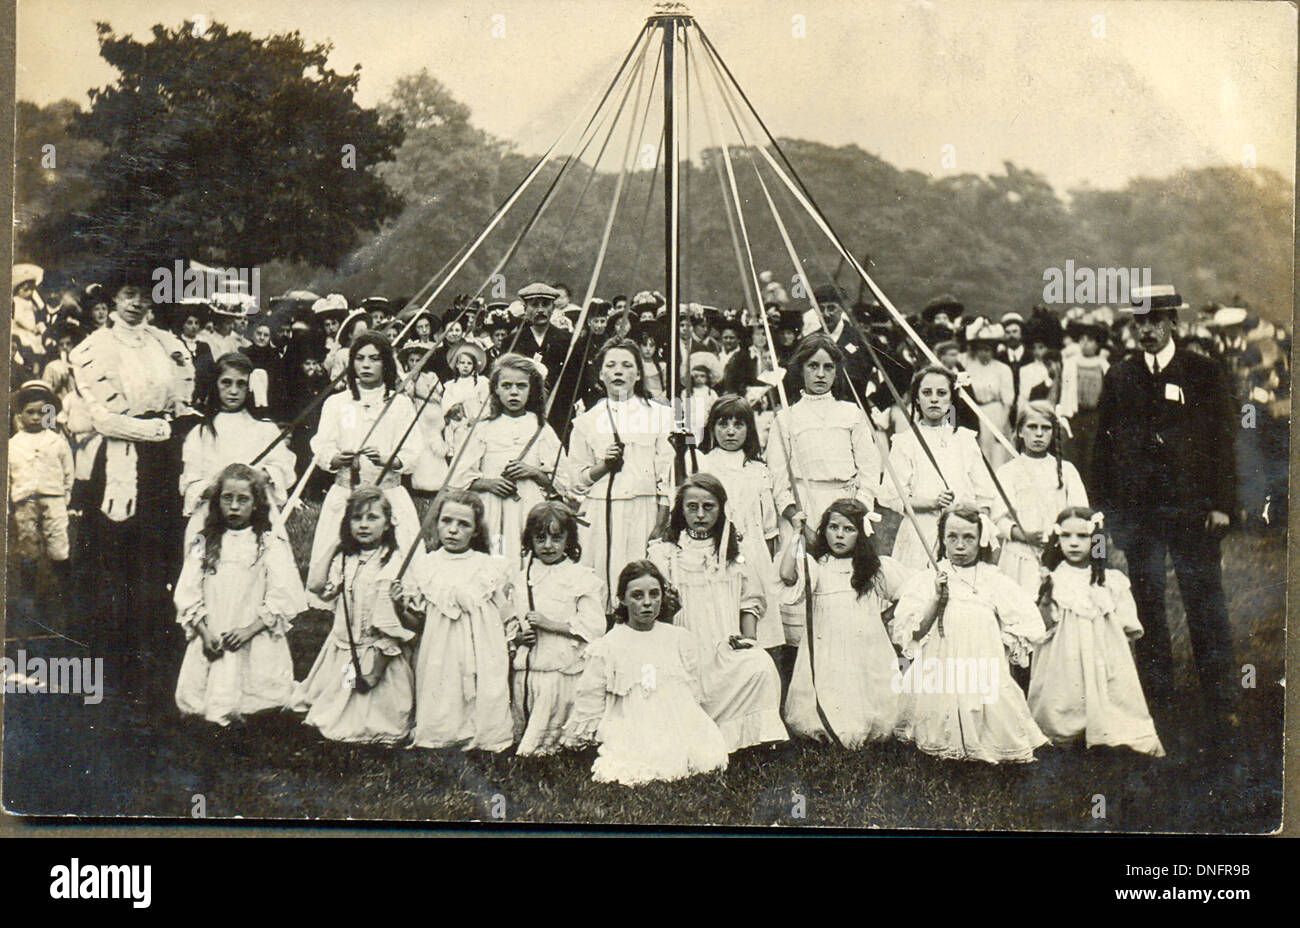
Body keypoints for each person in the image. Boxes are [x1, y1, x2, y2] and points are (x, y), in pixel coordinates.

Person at [1093, 285, 1240, 738]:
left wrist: (1222, 505)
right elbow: (1103, 447)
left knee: (1204, 603)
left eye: (1155, 321)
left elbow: (1224, 442)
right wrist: (1107, 513)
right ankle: (1158, 701)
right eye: (1139, 322)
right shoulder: (1119, 376)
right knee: (1148, 606)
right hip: (1140, 515)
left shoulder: (1203, 372)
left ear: (1173, 322)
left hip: (1194, 511)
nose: (1146, 330)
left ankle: (1222, 702)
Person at [68, 282, 197, 702]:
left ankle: (161, 668)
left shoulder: (165, 343)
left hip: (165, 463)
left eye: (143, 295)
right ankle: (117, 672)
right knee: (120, 564)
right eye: (127, 295)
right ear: (113, 301)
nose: (136, 303)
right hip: (123, 461)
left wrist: (182, 422)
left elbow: (180, 399)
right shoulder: (92, 348)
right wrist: (158, 430)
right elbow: (103, 418)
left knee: (162, 562)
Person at [891, 505, 1049, 763]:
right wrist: (936, 598)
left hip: (982, 660)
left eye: (968, 538)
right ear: (942, 539)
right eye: (952, 537)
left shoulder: (993, 579)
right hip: (942, 660)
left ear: (981, 540)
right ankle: (943, 744)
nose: (960, 546)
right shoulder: (930, 577)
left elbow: (1027, 622)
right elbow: (914, 632)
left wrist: (1007, 643)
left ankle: (988, 742)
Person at [648, 474, 787, 753]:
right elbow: (652, 610)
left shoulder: (736, 551)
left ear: (721, 509)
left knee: (760, 666)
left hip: (722, 649)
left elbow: (750, 601)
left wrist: (747, 639)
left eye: (708, 507)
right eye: (692, 507)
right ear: (681, 510)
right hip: (681, 650)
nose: (700, 514)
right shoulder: (664, 553)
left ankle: (745, 742)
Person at [562, 559, 730, 785]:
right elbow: (591, 694)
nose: (647, 603)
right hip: (632, 720)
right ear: (621, 599)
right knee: (639, 759)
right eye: (637, 596)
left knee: (707, 756)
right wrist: (585, 735)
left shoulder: (677, 638)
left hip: (676, 719)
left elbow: (690, 690)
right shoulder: (610, 644)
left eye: (654, 594)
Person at [173, 464, 305, 726]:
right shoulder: (203, 542)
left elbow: (281, 595)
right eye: (227, 498)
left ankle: (254, 703)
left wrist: (249, 630)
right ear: (217, 501)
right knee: (196, 700)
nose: (234, 506)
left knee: (260, 697)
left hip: (252, 630)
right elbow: (187, 591)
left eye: (243, 499)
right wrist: (204, 632)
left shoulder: (268, 543)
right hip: (213, 630)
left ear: (256, 504)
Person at [1028, 507, 1165, 756]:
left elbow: (1128, 625)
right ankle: (1067, 733)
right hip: (1064, 655)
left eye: (1082, 536)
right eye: (1066, 536)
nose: (1073, 543)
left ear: (1095, 541)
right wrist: (1045, 597)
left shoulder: (1109, 580)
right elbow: (1043, 627)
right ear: (1057, 540)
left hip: (1103, 653)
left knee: (1110, 695)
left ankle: (1106, 730)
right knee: (1065, 696)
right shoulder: (1053, 579)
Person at [780, 499, 912, 748]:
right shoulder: (818, 565)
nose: (839, 535)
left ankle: (866, 726)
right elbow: (787, 575)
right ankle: (828, 725)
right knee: (832, 682)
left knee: (866, 684)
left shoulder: (873, 568)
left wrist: (886, 616)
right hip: (826, 642)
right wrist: (797, 533)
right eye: (833, 527)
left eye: (848, 529)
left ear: (861, 534)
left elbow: (907, 593)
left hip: (865, 642)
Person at [293, 488, 416, 744]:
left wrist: (375, 673)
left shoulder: (393, 562)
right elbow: (316, 587)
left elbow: (390, 626)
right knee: (332, 707)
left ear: (387, 524)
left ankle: (368, 713)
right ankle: (339, 704)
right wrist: (335, 546)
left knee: (371, 721)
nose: (363, 525)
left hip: (378, 656)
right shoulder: (346, 558)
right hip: (345, 649)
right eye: (356, 518)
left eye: (372, 518)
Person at [399, 489, 518, 752]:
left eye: (463, 524)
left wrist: (513, 635)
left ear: (476, 531)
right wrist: (398, 607)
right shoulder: (426, 566)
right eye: (447, 521)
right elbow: (416, 623)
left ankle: (486, 734)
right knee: (443, 688)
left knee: (485, 688)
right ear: (436, 523)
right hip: (440, 647)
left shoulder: (489, 565)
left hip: (482, 645)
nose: (453, 530)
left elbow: (505, 611)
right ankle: (441, 733)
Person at [307, 332, 422, 603]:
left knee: (396, 563)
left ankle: (392, 598)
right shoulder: (338, 403)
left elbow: (413, 451)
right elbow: (322, 444)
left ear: (386, 364)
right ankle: (340, 593)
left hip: (387, 494)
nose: (366, 365)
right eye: (359, 359)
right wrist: (337, 458)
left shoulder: (400, 404)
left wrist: (387, 459)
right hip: (347, 492)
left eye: (374, 359)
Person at [568, 338, 673, 606]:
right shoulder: (586, 421)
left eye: (627, 365)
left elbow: (667, 473)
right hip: (602, 511)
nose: (618, 371)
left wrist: (661, 521)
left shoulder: (659, 416)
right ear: (601, 374)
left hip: (643, 511)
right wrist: (603, 466)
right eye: (611, 365)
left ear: (638, 373)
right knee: (603, 585)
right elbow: (576, 481)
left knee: (642, 584)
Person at [452, 353, 568, 564]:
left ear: (531, 389)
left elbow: (564, 480)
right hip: (492, 509)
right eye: (506, 386)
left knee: (526, 558)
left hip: (529, 508)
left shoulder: (540, 428)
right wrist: (489, 483)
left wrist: (533, 472)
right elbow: (458, 478)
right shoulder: (483, 428)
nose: (513, 392)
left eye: (521, 386)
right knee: (496, 557)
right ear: (495, 388)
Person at [511, 502, 606, 755]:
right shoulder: (521, 579)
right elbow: (509, 618)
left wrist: (549, 625)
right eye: (540, 538)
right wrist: (518, 636)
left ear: (569, 540)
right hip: (529, 667)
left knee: (555, 735)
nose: (548, 545)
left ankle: (558, 745)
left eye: (556, 537)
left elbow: (594, 626)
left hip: (562, 667)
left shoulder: (579, 577)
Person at [879, 365, 994, 570]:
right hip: (921, 531)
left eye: (941, 393)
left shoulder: (965, 439)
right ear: (916, 398)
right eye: (926, 393)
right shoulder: (906, 442)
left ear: (951, 399)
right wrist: (932, 503)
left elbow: (984, 493)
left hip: (961, 533)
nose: (934, 399)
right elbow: (893, 496)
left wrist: (975, 520)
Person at [179, 352, 296, 545]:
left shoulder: (265, 429)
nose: (233, 391)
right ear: (215, 385)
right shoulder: (201, 433)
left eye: (241, 383)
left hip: (256, 517)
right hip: (211, 519)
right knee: (204, 565)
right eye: (226, 382)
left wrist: (261, 476)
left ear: (249, 387)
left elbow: (283, 469)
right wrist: (220, 486)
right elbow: (190, 484)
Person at [698, 396, 784, 652]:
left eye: (739, 424)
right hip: (716, 548)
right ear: (712, 428)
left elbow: (769, 522)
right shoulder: (704, 464)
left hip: (752, 548)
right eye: (723, 424)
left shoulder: (758, 469)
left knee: (753, 604)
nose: (731, 431)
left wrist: (765, 560)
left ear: (749, 429)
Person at [992, 401, 1088, 592]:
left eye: (1045, 428)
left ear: (1053, 433)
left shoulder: (1066, 471)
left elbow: (1082, 514)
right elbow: (998, 519)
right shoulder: (1008, 471)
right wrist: (1023, 535)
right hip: (1019, 556)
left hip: (1058, 555)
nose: (1038, 434)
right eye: (1032, 427)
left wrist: (1062, 537)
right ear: (1020, 431)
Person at [8, 380, 74, 605]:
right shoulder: (13, 444)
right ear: (20, 414)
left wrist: (65, 495)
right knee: (28, 542)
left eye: (42, 412)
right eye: (30, 412)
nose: (36, 417)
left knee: (57, 540)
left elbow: (68, 471)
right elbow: (9, 475)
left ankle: (64, 590)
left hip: (53, 498)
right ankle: (28, 595)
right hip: (25, 499)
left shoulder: (56, 441)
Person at [1058, 319, 1110, 498]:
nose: (1085, 343)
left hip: (1095, 417)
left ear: (1097, 344)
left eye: (1090, 340)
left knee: (1091, 458)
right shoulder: (1071, 363)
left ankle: (1091, 497)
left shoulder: (1103, 365)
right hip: (1075, 416)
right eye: (1082, 340)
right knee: (1073, 457)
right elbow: (1064, 389)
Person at [962, 318, 1015, 467]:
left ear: (993, 350)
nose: (984, 353)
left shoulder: (1002, 369)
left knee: (998, 452)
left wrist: (1002, 423)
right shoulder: (969, 368)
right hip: (977, 413)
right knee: (980, 452)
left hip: (997, 412)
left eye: (987, 350)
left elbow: (1007, 401)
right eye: (981, 349)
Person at [440, 340, 490, 454]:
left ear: (474, 365)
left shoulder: (481, 383)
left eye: (469, 363)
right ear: (457, 365)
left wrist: (476, 419)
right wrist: (451, 412)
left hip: (477, 425)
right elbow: (445, 407)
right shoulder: (451, 385)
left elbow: (487, 406)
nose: (465, 366)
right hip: (457, 426)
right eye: (462, 363)